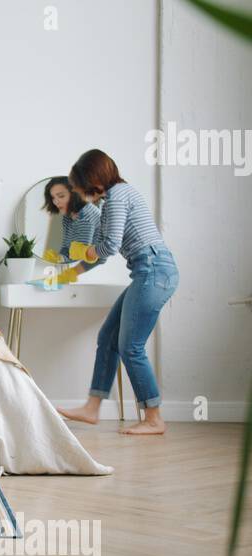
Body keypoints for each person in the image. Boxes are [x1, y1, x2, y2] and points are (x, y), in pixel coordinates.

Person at [56, 149, 179, 435]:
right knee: (108, 337)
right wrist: (71, 273)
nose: (77, 191)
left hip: (155, 270)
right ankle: (92, 407)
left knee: (131, 346)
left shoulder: (118, 196)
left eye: (78, 185)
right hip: (147, 271)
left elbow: (108, 246)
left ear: (92, 180)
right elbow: (99, 254)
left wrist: (84, 250)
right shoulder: (109, 203)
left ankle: (153, 418)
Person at [39, 176, 101, 265]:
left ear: (75, 194)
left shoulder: (86, 216)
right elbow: (66, 248)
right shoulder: (68, 216)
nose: (55, 202)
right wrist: (59, 258)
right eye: (53, 197)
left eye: (61, 196)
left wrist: (59, 260)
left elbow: (79, 256)